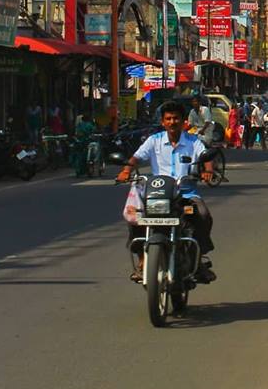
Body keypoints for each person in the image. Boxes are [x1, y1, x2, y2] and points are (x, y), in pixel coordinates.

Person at [116, 100, 216, 283]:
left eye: (176, 118)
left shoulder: (194, 142)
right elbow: (136, 157)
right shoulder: (154, 141)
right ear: (163, 122)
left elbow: (205, 157)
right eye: (168, 119)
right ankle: (142, 261)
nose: (172, 122)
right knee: (135, 217)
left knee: (202, 215)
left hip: (186, 196)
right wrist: (126, 171)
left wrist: (208, 171)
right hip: (158, 195)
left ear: (184, 121)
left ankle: (198, 259)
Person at [71, 111, 96, 176]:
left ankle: (79, 169)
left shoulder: (79, 125)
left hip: (79, 142)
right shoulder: (90, 125)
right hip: (86, 142)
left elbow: (76, 133)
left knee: (78, 155)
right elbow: (93, 132)